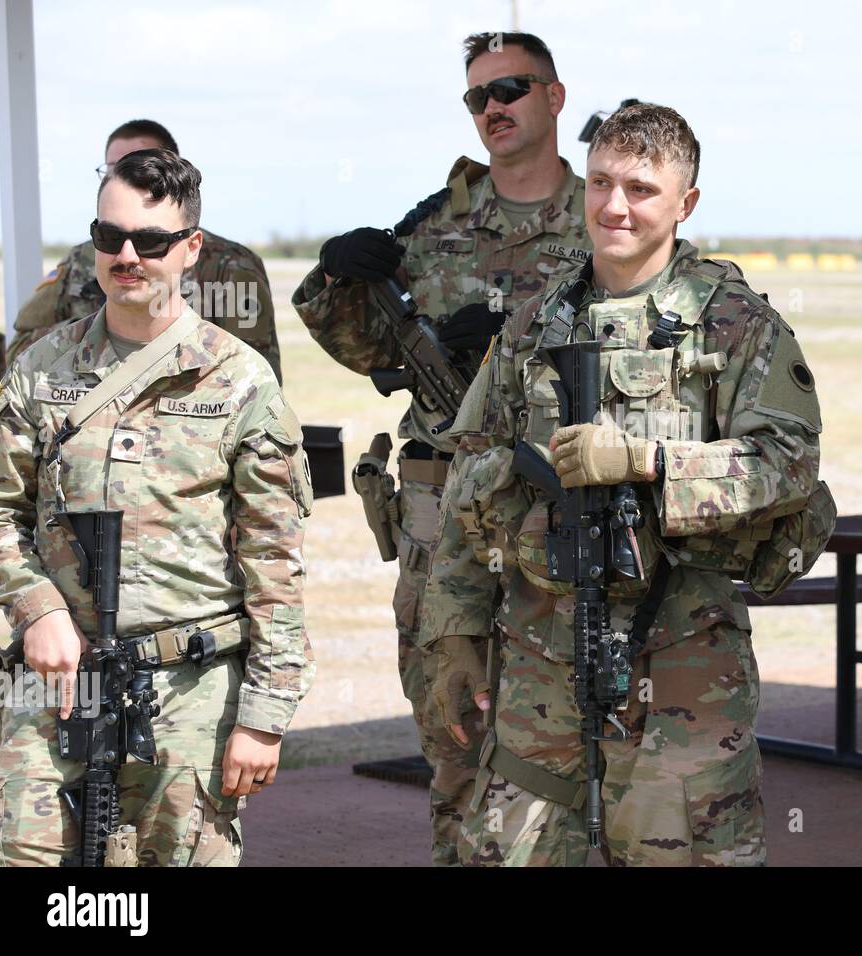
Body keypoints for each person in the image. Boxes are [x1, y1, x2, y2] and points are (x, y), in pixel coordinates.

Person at [421, 103, 824, 866]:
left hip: (683, 660)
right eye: (601, 182)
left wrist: (650, 463)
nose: (614, 205)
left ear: (685, 203)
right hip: (539, 656)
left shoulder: (733, 322)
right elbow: (471, 477)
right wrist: (456, 633)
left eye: (641, 188)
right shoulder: (537, 322)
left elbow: (791, 463)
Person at [291, 32, 590, 866]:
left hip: (561, 517)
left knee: (576, 754)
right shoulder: (436, 225)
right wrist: (336, 276)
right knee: (455, 743)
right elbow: (361, 342)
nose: (493, 108)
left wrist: (523, 336)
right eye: (477, 98)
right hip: (442, 525)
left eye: (512, 90)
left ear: (555, 97)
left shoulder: (605, 214)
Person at [0, 149, 314, 866]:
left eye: (151, 240)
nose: (127, 255)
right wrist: (36, 605)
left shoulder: (239, 381)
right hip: (53, 685)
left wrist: (264, 717)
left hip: (187, 693)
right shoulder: (41, 370)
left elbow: (276, 566)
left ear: (191, 247)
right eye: (109, 238)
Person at [11, 119, 282, 382]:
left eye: (143, 163)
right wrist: (96, 328)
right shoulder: (83, 258)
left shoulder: (232, 265)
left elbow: (256, 371)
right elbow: (20, 350)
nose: (126, 255)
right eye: (114, 168)